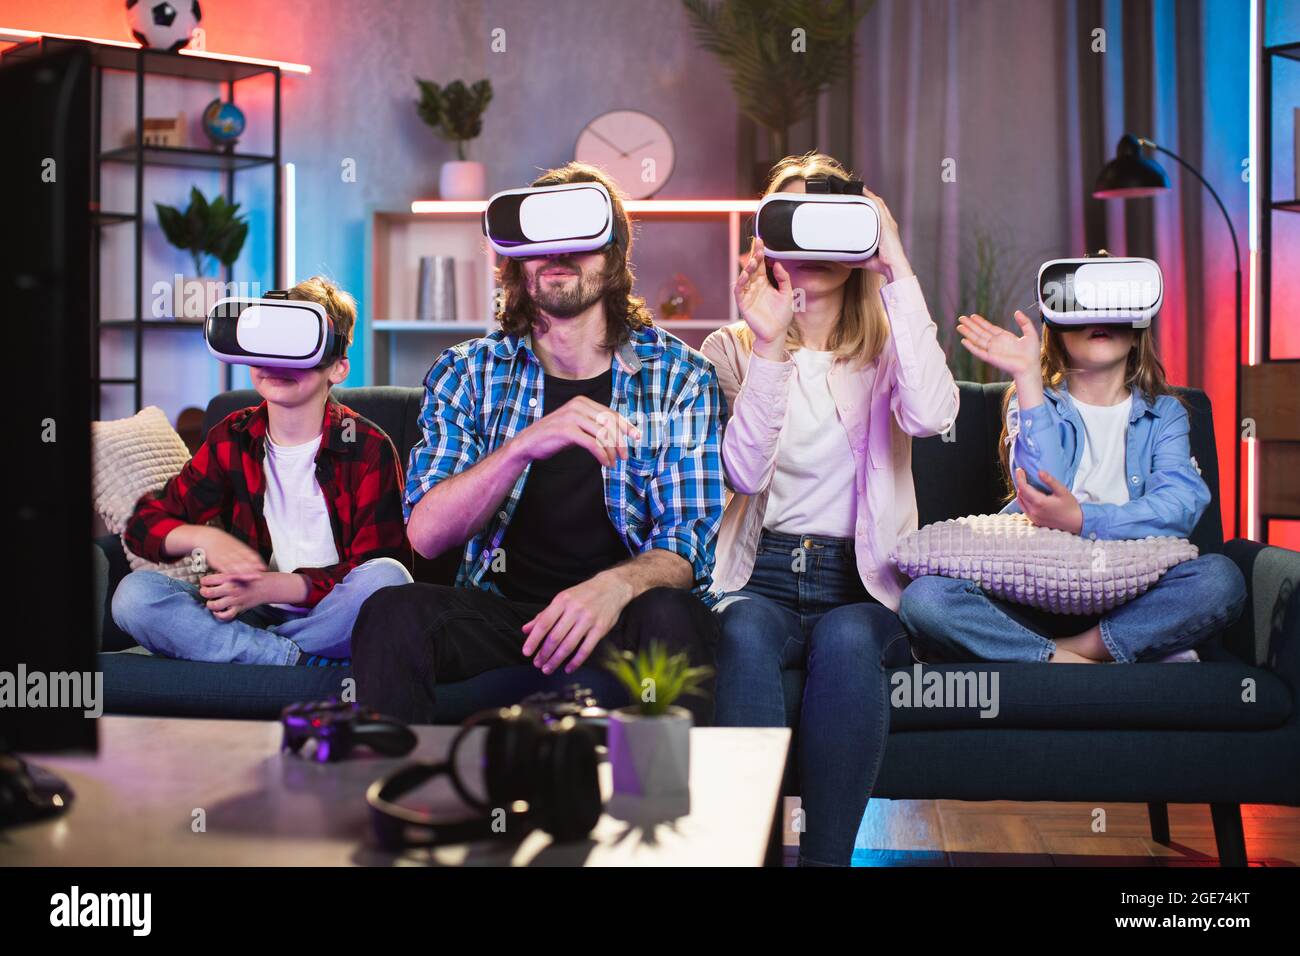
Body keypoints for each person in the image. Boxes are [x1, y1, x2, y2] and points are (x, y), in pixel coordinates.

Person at [351, 163, 725, 723]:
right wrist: (524, 445)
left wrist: (613, 587)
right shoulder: (467, 372)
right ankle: (401, 807)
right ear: (515, 258)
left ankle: (658, 807)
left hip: (623, 612)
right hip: (505, 614)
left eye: (580, 236)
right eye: (541, 240)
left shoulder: (679, 376)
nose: (560, 253)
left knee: (674, 614)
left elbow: (685, 545)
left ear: (615, 253)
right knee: (391, 613)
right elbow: (427, 536)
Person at [702, 153, 960, 866]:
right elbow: (743, 471)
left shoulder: (885, 352)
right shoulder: (730, 349)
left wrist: (896, 261)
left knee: (849, 644)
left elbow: (935, 414)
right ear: (766, 239)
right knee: (743, 633)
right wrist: (769, 344)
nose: (812, 245)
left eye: (832, 222)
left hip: (860, 580)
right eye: (794, 219)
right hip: (763, 573)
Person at [898, 287, 1247, 664]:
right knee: (925, 599)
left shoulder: (1166, 413)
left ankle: (1078, 652)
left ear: (1137, 330)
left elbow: (1180, 506)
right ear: (1058, 329)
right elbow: (1040, 484)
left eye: (1113, 310)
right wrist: (1028, 378)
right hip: (1028, 591)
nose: (1099, 320)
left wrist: (1082, 520)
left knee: (1220, 578)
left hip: (1131, 595)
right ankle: (1094, 654)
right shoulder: (1031, 399)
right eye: (1082, 309)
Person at [112, 276, 413, 665]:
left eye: (298, 348)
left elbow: (381, 566)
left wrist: (275, 586)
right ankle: (292, 660)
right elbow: (142, 527)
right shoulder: (232, 437)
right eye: (271, 346)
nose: (279, 364)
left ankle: (256, 654)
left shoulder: (368, 446)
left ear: (338, 368)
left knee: (388, 580)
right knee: (135, 597)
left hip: (329, 613)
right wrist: (202, 537)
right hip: (249, 614)